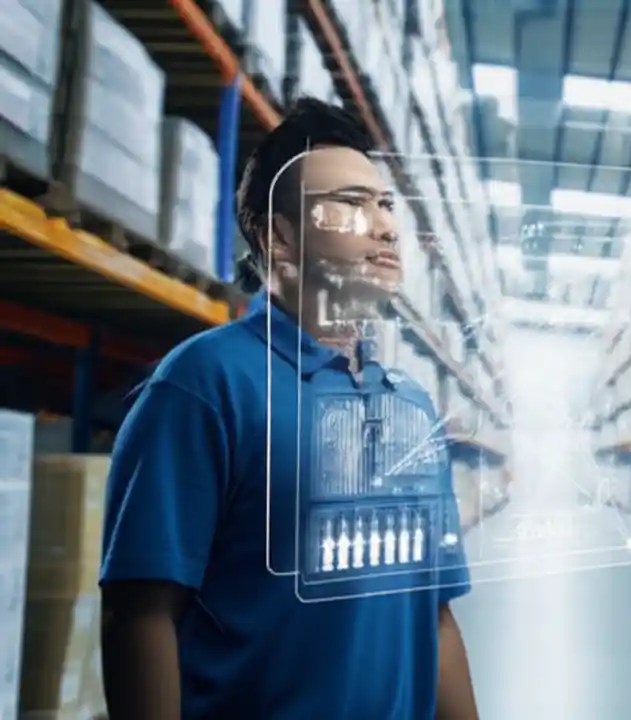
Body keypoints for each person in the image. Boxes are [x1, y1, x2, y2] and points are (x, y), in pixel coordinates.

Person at [99, 98, 478, 719]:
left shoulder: (409, 405)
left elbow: (435, 617)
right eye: (352, 204)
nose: (384, 226)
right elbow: (142, 613)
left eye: (385, 205)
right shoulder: (206, 383)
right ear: (278, 235)